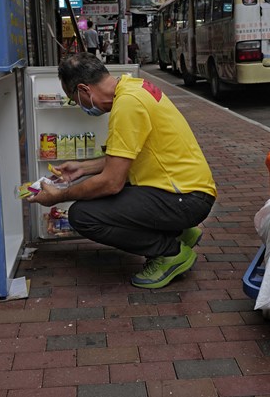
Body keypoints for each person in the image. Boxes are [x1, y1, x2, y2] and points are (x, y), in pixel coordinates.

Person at [28, 53, 217, 289]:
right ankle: (178, 232)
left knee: (83, 216)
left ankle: (170, 251)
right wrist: (82, 168)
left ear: (84, 89)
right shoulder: (132, 88)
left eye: (75, 100)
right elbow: (127, 156)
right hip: (187, 190)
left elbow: (111, 182)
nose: (80, 107)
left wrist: (60, 195)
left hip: (185, 199)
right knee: (112, 195)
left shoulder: (127, 105)